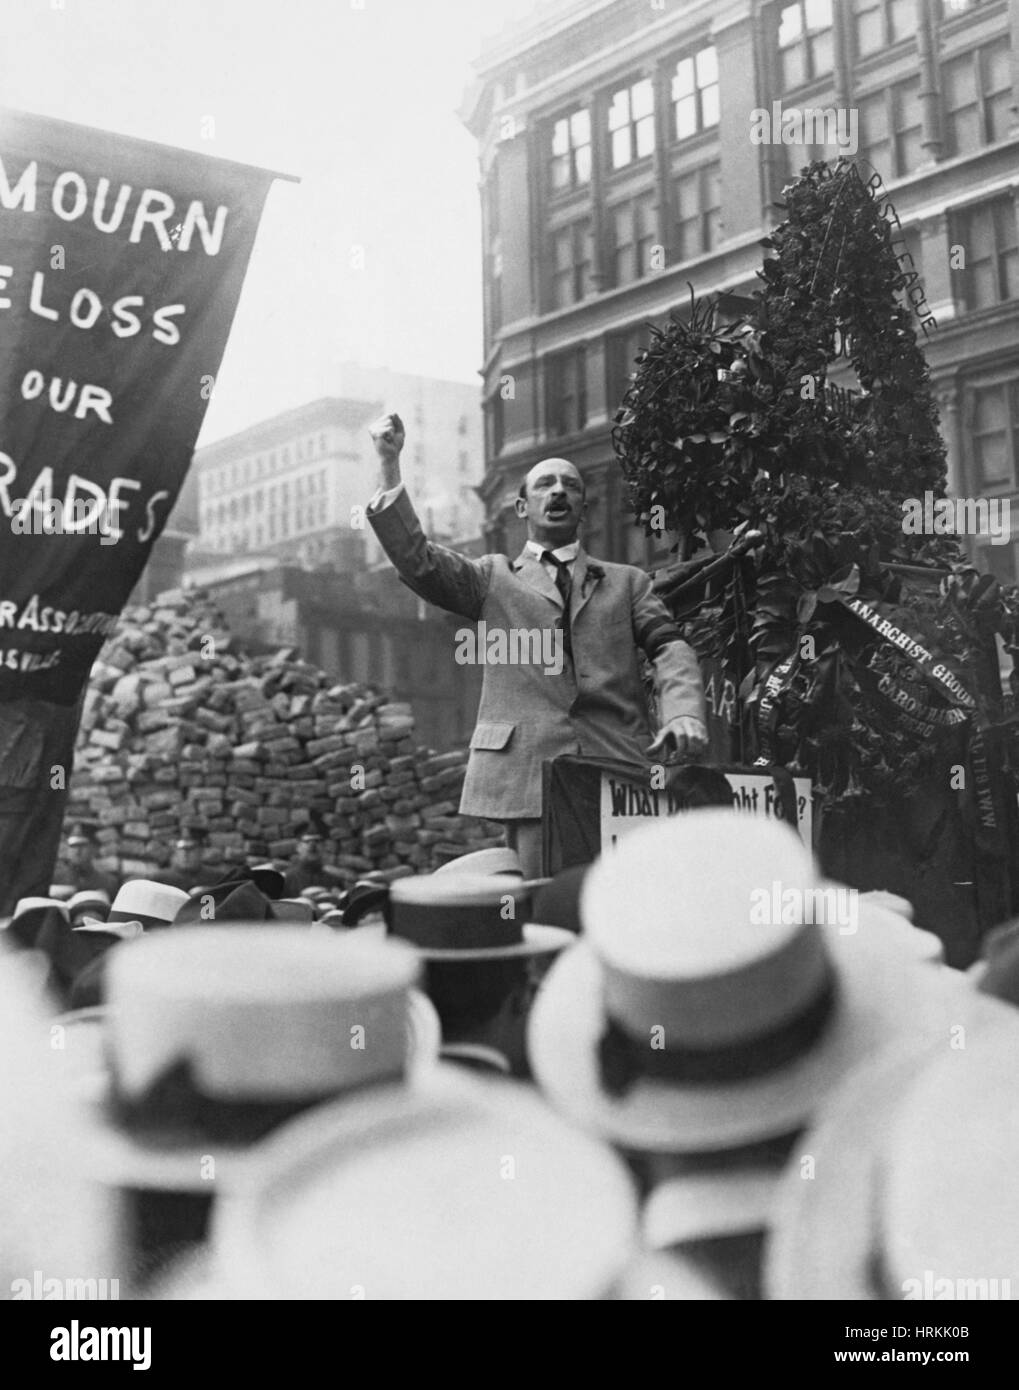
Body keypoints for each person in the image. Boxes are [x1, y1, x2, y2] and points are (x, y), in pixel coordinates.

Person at [366, 412, 708, 877]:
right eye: (545, 484)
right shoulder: (492, 578)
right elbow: (418, 562)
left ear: (584, 507)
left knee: (625, 903)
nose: (558, 491)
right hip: (530, 778)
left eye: (570, 485)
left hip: (620, 772)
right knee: (541, 907)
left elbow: (670, 647)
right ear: (522, 508)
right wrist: (390, 465)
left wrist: (683, 711)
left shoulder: (627, 584)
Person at [57, 824, 119, 900]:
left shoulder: (108, 883)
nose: (77, 851)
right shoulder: (57, 878)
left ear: (95, 849)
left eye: (83, 846)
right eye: (73, 846)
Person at [282, 827, 345, 896]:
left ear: (324, 847)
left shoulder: (334, 879)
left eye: (317, 841)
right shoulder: (287, 879)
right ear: (298, 847)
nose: (312, 845)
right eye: (307, 842)